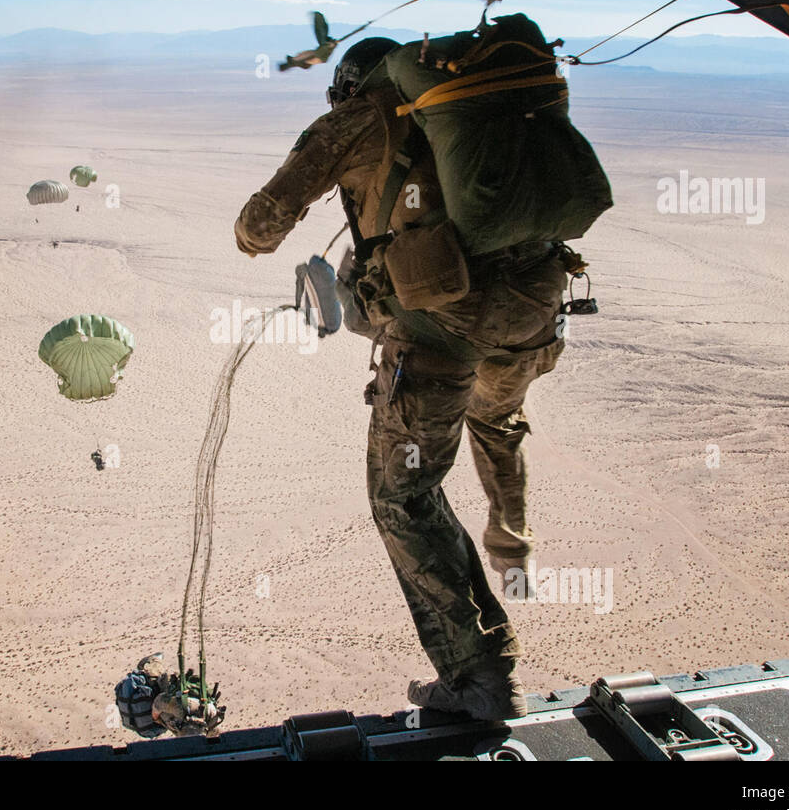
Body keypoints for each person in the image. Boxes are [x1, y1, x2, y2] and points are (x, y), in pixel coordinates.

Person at [233, 38, 570, 720]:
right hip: (534, 316)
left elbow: (258, 227)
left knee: (402, 495)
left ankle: (479, 677)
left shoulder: (356, 117)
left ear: (348, 89)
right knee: (493, 418)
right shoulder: (473, 115)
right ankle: (512, 537)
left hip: (447, 328)